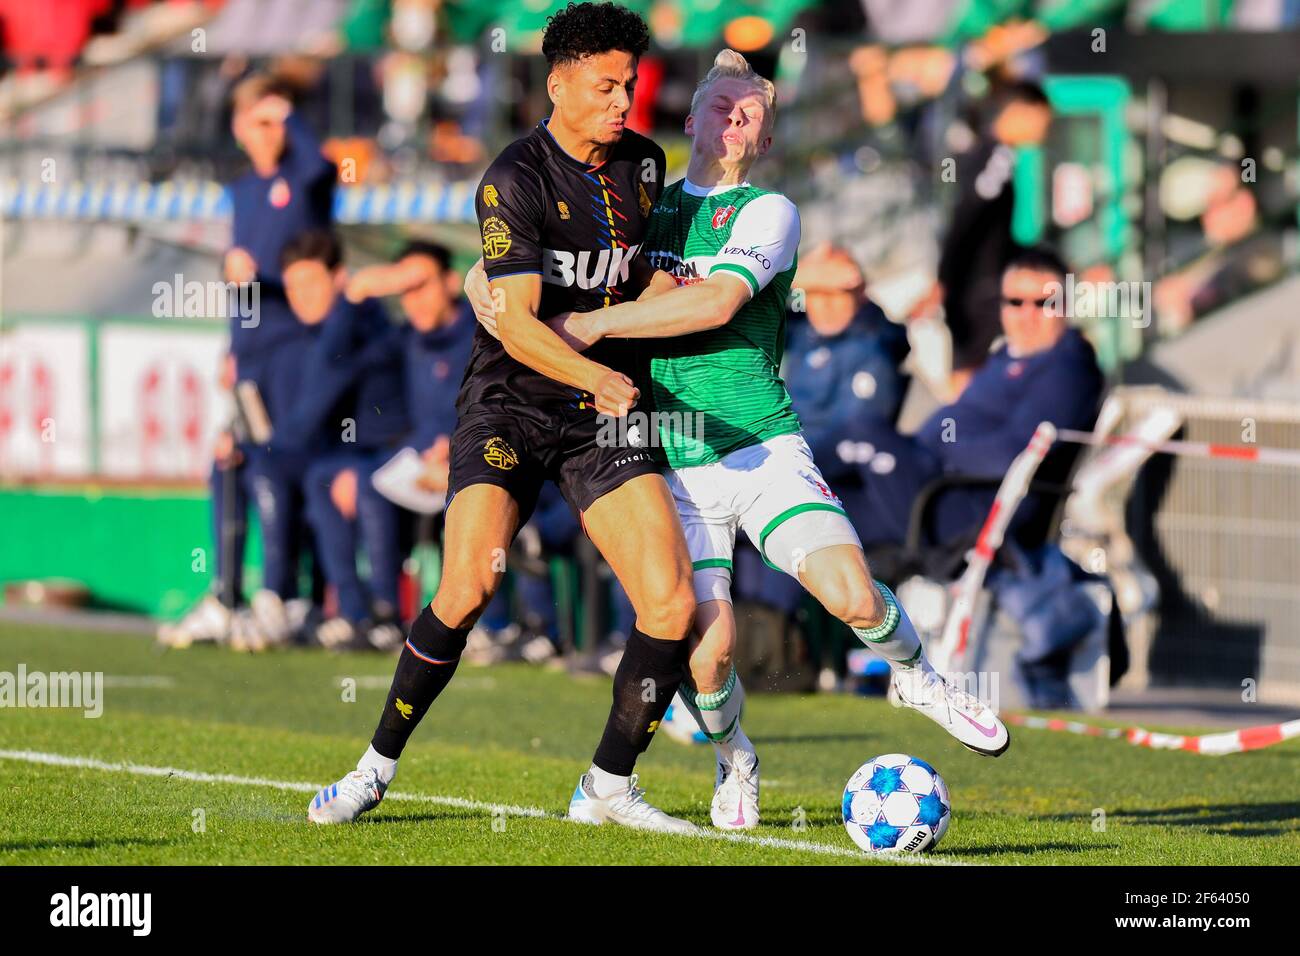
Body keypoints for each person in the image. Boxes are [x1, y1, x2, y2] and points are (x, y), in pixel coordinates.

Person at [477, 48, 1012, 833]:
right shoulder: (639, 207)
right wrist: (487, 285)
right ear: (689, 120)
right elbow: (535, 255)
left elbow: (715, 304)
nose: (733, 120)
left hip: (759, 445)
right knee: (711, 652)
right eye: (721, 106)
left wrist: (590, 322)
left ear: (761, 139)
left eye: (750, 114)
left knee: (853, 595)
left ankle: (920, 678)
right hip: (670, 460)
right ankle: (735, 758)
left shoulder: (768, 213)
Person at [308, 2, 700, 835]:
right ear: (558, 84)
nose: (623, 100)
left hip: (603, 408)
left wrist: (623, 344)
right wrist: (597, 372)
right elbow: (514, 323)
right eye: (606, 85)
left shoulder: (646, 165)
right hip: (513, 404)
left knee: (668, 604)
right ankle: (374, 768)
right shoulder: (513, 176)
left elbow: (657, 280)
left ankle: (608, 788)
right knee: (468, 584)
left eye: (629, 84)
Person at [158, 73, 336, 649]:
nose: (265, 132)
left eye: (273, 121)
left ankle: (286, 597)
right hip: (253, 353)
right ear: (237, 128)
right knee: (231, 463)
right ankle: (227, 593)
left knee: (281, 468)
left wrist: (287, 113)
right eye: (255, 121)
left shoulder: (303, 180)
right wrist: (231, 350)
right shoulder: (243, 190)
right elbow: (243, 282)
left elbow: (321, 169)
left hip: (296, 349)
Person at [836, 245, 1104, 550]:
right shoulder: (1006, 358)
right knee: (814, 512)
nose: (1027, 315)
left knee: (864, 430)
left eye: (1043, 303)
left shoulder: (1066, 367)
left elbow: (1014, 454)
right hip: (932, 490)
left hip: (965, 508)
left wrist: (937, 452)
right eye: (1016, 302)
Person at [911, 80, 1052, 399]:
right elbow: (967, 216)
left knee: (978, 370)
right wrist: (944, 279)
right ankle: (959, 438)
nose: (1047, 127)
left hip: (976, 284)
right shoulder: (996, 158)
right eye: (1043, 117)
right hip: (976, 288)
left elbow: (991, 230)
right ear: (1020, 112)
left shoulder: (995, 156)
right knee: (971, 375)